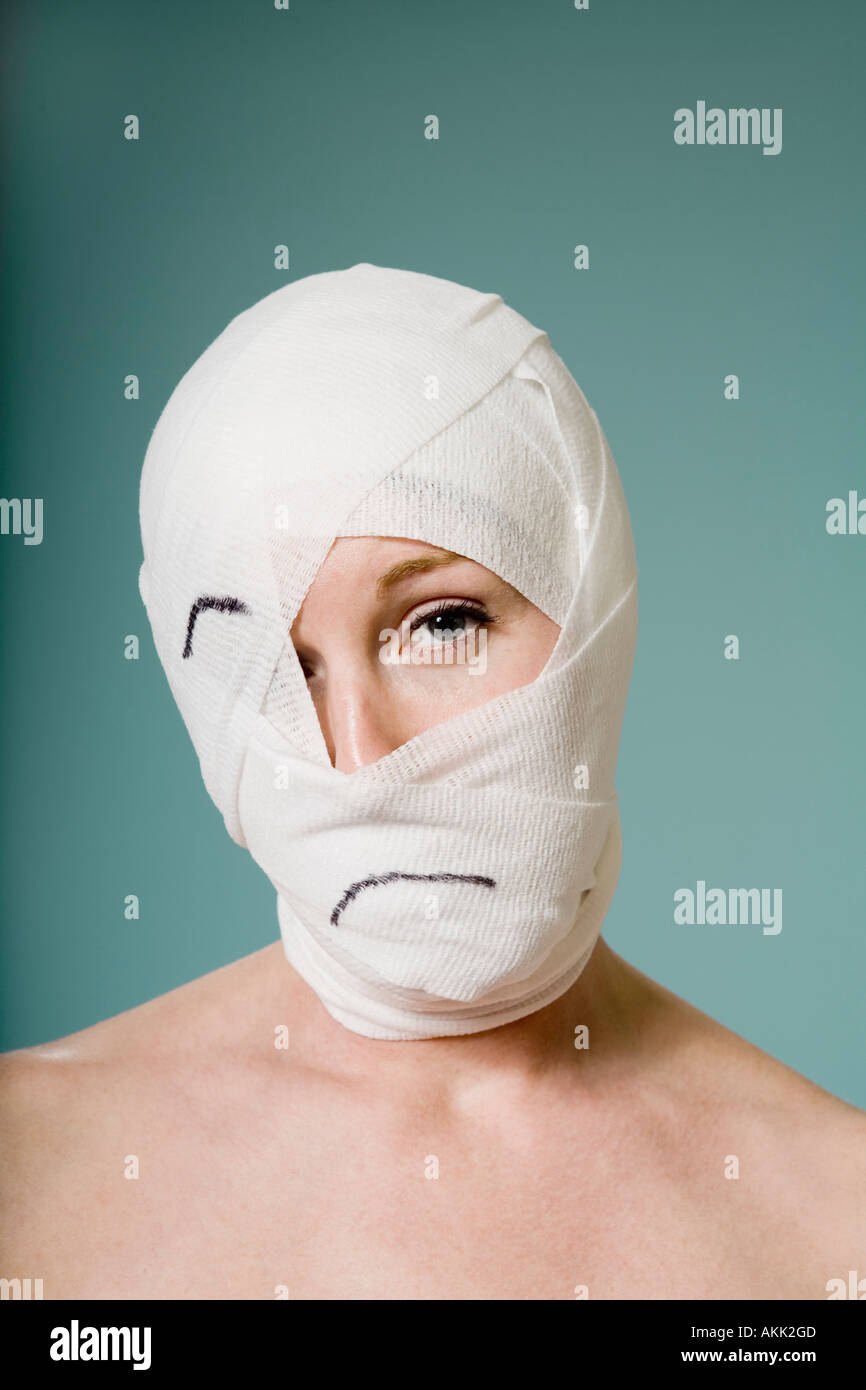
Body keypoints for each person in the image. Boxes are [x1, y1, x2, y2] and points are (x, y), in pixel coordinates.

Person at [1, 265, 864, 1301]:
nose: (359, 758)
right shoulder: (26, 1168)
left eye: (440, 624)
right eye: (273, 671)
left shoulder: (832, 1218)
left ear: (596, 613)